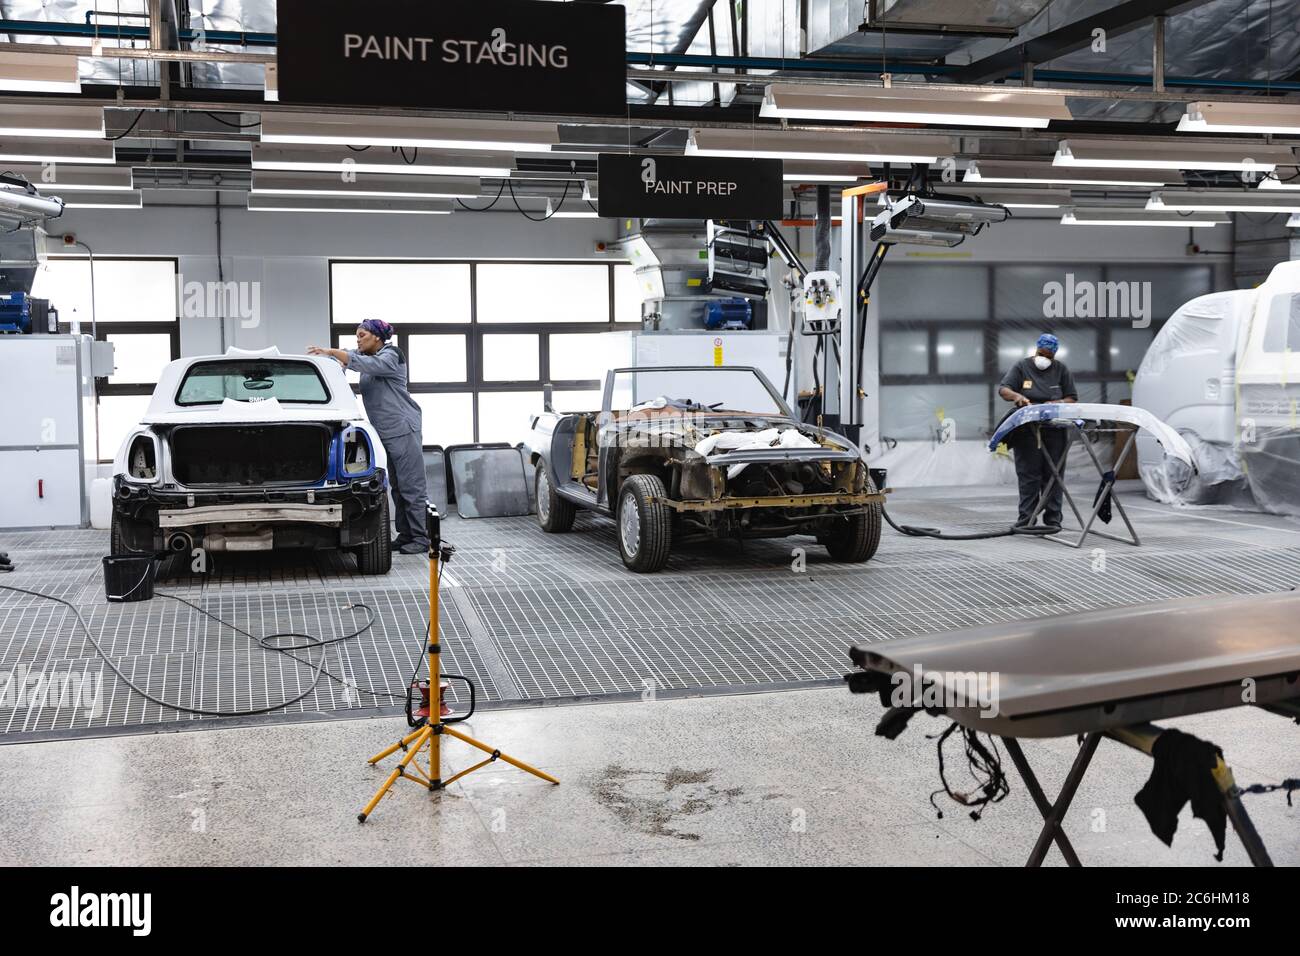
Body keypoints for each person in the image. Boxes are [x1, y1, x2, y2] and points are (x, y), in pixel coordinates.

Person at [308, 320, 429, 555]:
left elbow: (364, 362)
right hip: (384, 431)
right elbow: (350, 360)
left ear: (377, 337)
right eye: (357, 337)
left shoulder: (392, 355)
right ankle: (405, 535)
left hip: (403, 428)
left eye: (362, 335)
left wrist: (334, 352)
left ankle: (421, 537)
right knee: (397, 486)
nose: (358, 340)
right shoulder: (368, 361)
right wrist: (333, 363)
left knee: (411, 486)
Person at [997, 333, 1078, 530]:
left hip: (1055, 430)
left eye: (1049, 356)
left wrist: (1057, 402)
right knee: (1028, 474)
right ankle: (1027, 519)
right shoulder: (1021, 367)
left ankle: (1053, 520)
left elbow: (1072, 397)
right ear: (1036, 350)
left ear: (1055, 354)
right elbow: (1003, 389)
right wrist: (1017, 396)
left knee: (1054, 474)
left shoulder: (1061, 370)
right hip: (1027, 430)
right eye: (1042, 353)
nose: (1045, 359)